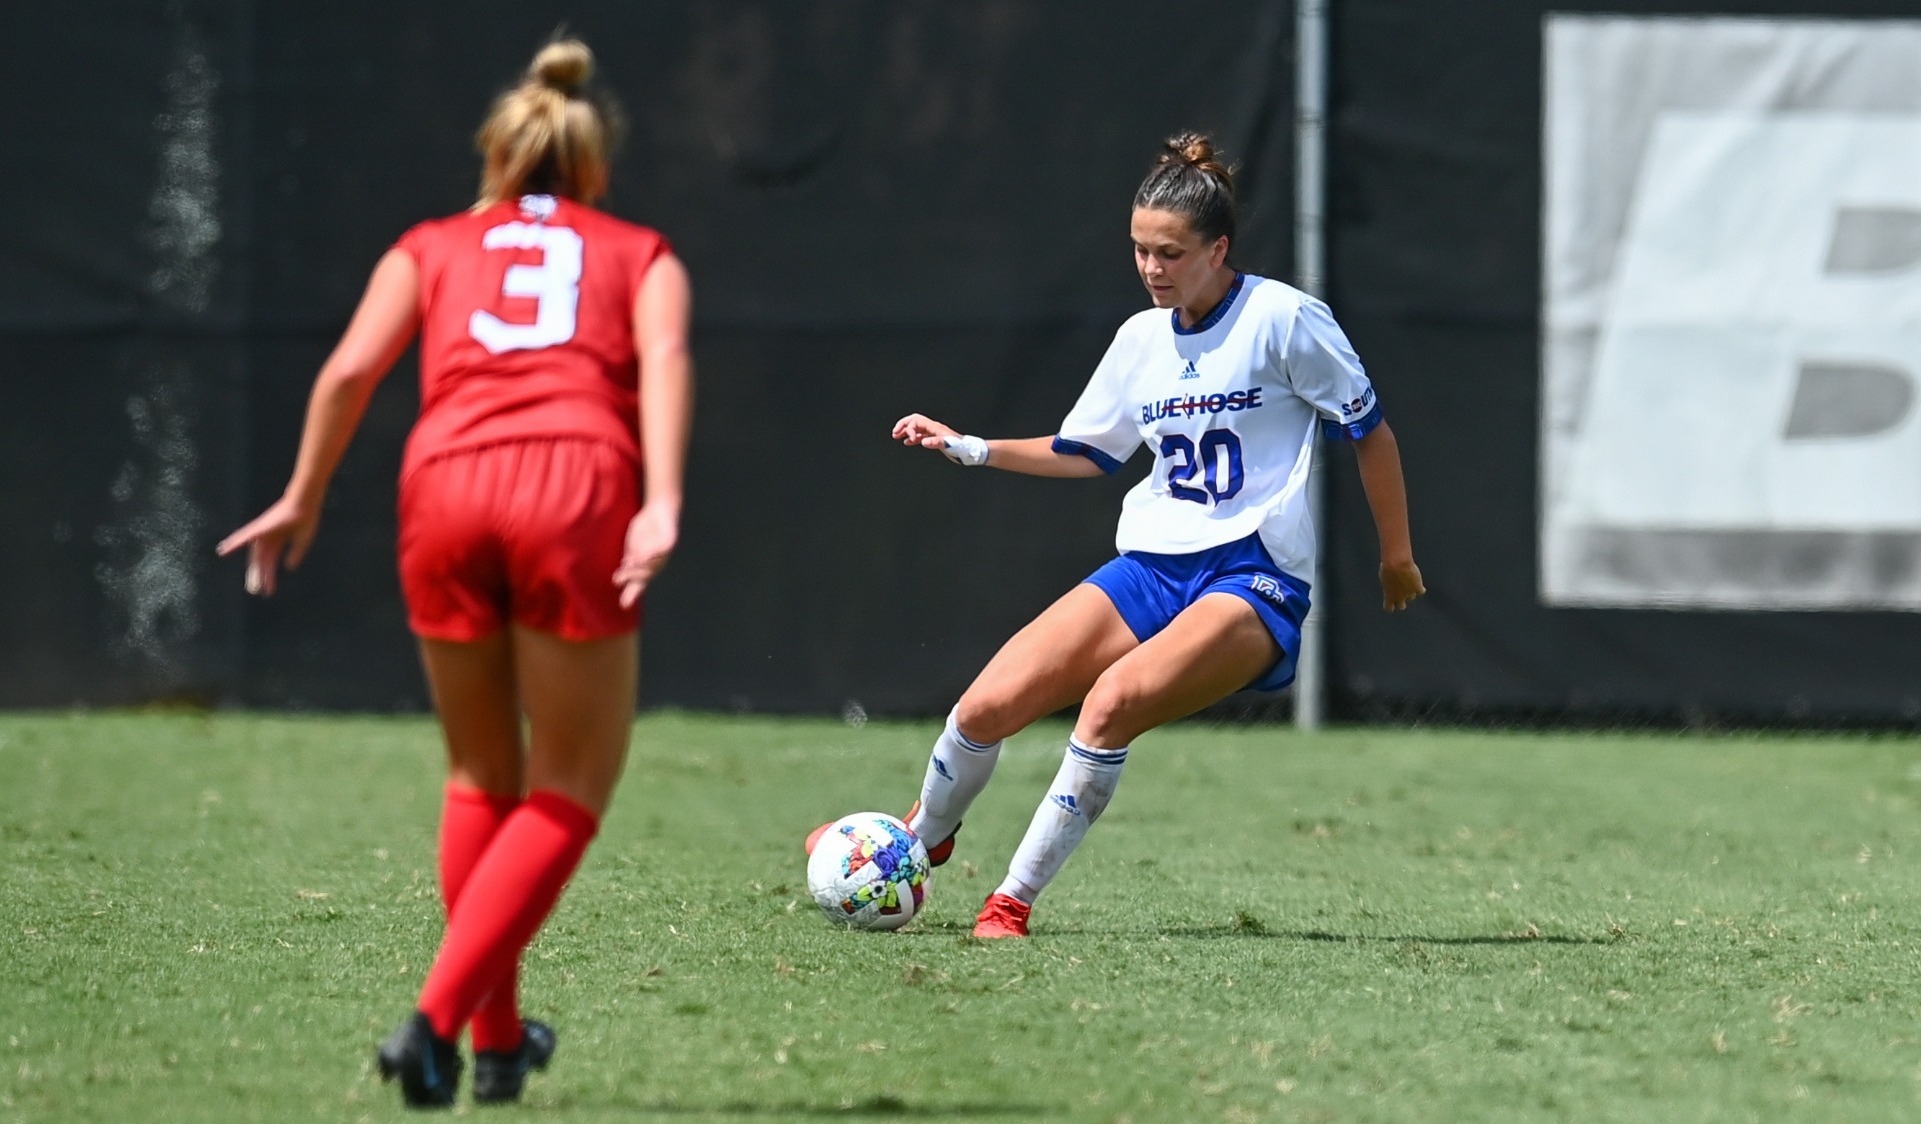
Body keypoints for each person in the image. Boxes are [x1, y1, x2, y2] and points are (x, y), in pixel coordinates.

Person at [217, 39, 692, 1108]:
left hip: (444, 481)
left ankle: (498, 1042)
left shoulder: (430, 243)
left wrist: (303, 494)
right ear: (594, 170)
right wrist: (660, 499)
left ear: (495, 156)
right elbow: (662, 359)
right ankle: (434, 1024)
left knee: (482, 775)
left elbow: (348, 368)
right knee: (569, 781)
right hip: (575, 479)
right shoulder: (640, 249)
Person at [810, 132, 1422, 938]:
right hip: (1150, 568)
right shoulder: (1142, 339)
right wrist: (972, 446)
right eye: (1139, 250)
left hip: (1253, 576)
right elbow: (1088, 452)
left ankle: (1011, 902)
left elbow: (1367, 430)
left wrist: (1395, 555)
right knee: (985, 706)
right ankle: (916, 844)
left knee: (1108, 705)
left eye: (1169, 253)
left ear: (1219, 249)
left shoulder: (1283, 319)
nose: (1151, 268)